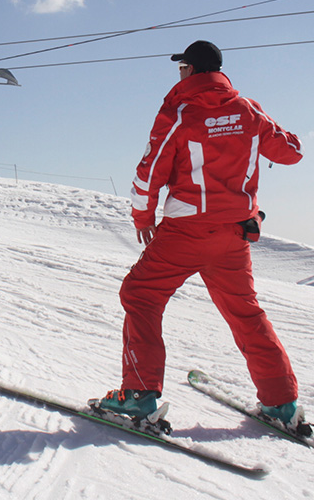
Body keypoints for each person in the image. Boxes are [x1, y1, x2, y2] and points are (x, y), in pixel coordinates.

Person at [93, 40, 310, 436]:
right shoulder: (248, 110)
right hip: (235, 235)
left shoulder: (180, 112)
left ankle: (139, 395)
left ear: (191, 70)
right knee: (245, 311)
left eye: (181, 67)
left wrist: (143, 216)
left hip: (187, 232)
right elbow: (292, 152)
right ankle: (281, 404)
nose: (179, 74)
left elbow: (150, 170)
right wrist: (255, 125)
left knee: (140, 294)